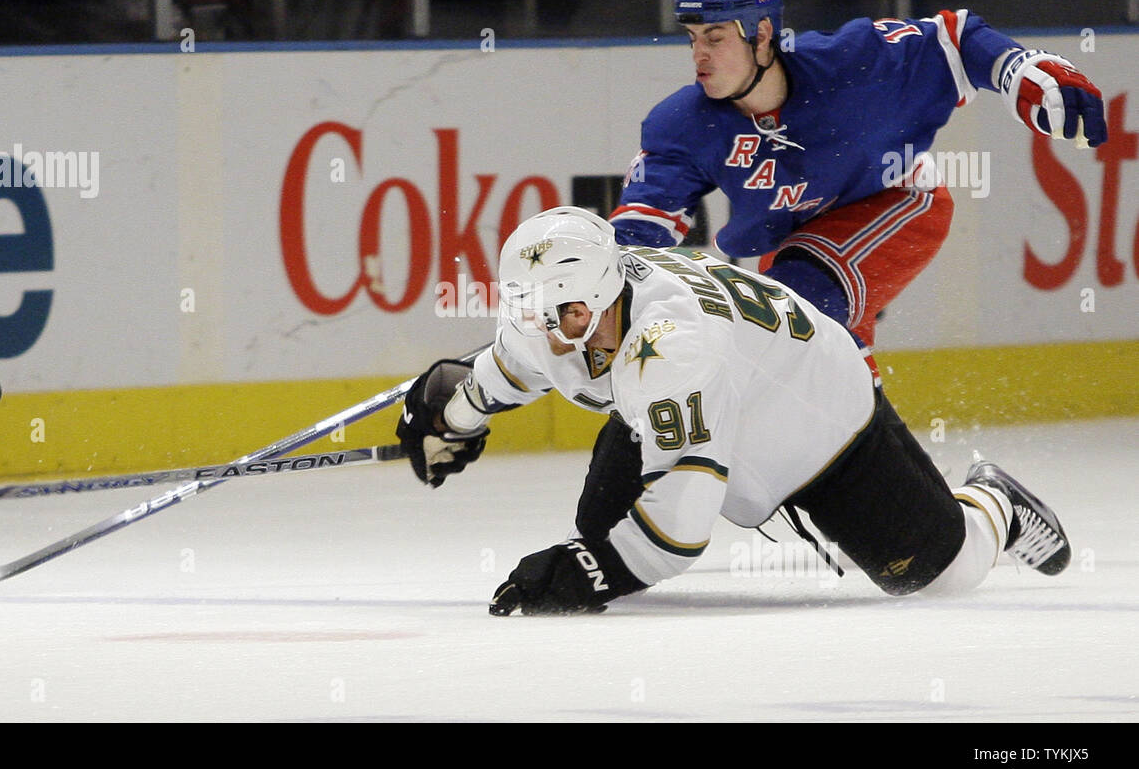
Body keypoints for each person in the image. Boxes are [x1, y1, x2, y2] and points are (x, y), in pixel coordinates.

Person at [396, 207, 1071, 615]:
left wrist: (585, 573)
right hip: (714, 392)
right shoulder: (564, 310)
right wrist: (449, 415)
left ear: (594, 300)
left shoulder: (670, 346)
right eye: (526, 312)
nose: (538, 330)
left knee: (938, 578)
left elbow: (679, 530)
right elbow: (511, 367)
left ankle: (991, 503)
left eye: (556, 315)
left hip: (813, 416)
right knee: (600, 527)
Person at [612, 0, 1108, 351]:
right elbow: (640, 231)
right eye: (694, 39)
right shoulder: (682, 123)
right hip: (802, 241)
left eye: (715, 38)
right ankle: (907, 477)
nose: (699, 55)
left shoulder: (849, 63)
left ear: (761, 34)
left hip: (900, 201)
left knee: (791, 309)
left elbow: (956, 42)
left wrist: (1023, 69)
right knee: (816, 367)